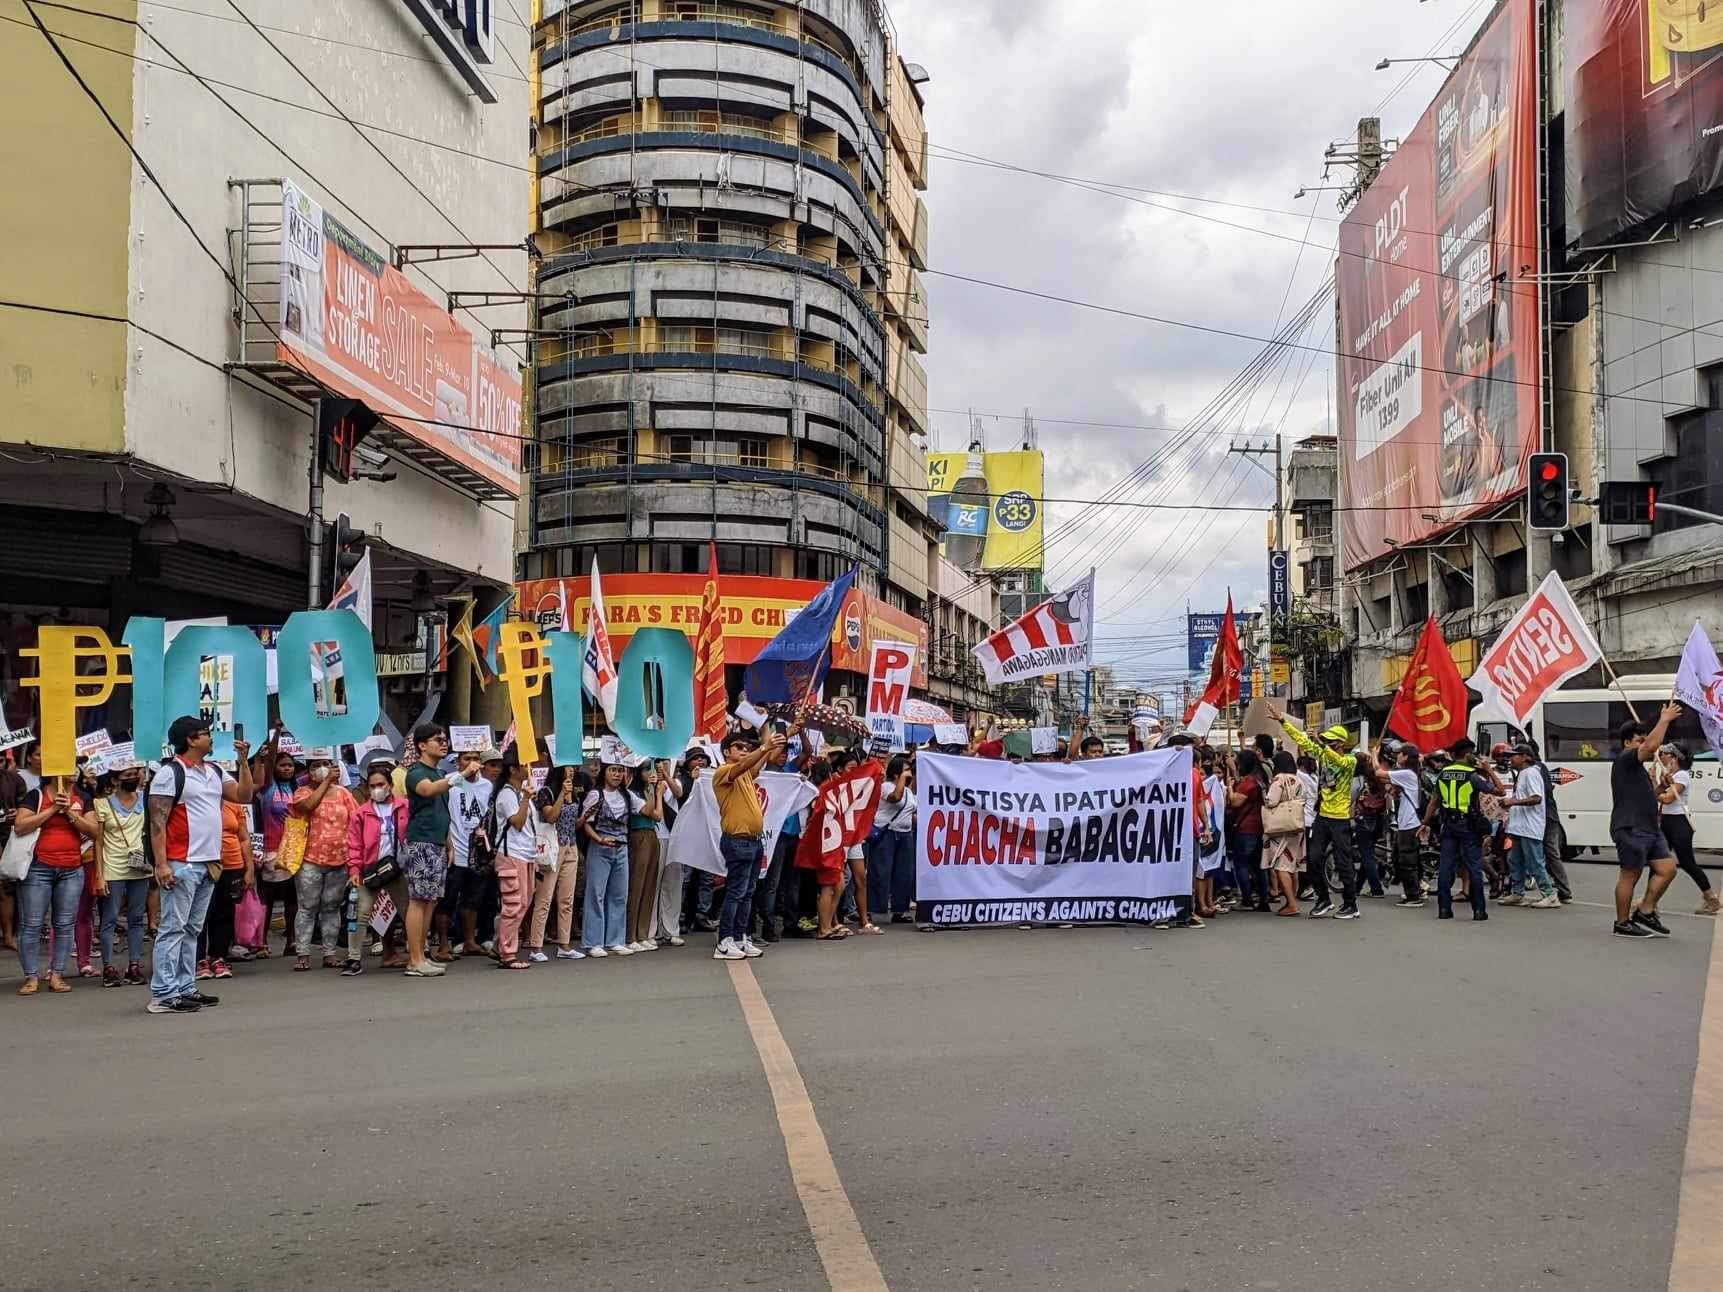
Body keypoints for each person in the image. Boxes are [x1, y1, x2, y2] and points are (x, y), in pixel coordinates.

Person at [146, 717, 244, 1014]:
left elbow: (244, 795)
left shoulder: (214, 770)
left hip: (209, 862)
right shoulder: (170, 773)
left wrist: (245, 761)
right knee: (173, 929)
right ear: (190, 739)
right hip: (181, 862)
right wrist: (162, 864)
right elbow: (157, 822)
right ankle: (164, 993)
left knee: (192, 929)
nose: (210, 738)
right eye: (205, 734)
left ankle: (186, 986)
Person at [13, 766, 99, 995]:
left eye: (75, 766)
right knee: (31, 924)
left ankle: (57, 974)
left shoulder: (83, 798)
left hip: (72, 869)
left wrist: (69, 812)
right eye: (68, 766)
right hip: (38, 868)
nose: (74, 770)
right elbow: (20, 826)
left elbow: (94, 831)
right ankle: (31, 976)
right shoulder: (36, 795)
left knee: (64, 924)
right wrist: (52, 810)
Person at [1269, 707, 1360, 919]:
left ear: (1340, 744)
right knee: (1313, 859)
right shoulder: (1324, 755)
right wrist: (1282, 721)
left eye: (1330, 741)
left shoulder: (1350, 761)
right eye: (1325, 740)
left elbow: (1338, 760)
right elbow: (1302, 740)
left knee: (1343, 862)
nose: (1326, 744)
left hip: (1340, 818)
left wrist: (1321, 744)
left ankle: (1350, 904)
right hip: (1322, 817)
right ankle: (1323, 899)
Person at [712, 727, 787, 960]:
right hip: (737, 841)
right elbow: (749, 762)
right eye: (739, 747)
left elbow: (759, 761)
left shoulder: (745, 774)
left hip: (753, 841)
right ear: (726, 752)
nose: (744, 751)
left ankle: (739, 937)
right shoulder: (724, 771)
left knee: (747, 893)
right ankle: (724, 941)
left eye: (746, 748)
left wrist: (780, 737)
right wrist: (764, 746)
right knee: (736, 892)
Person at [1610, 704, 1685, 938]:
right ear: (1627, 743)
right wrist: (1664, 719)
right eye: (1639, 740)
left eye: (1644, 740)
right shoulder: (1626, 759)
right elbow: (1652, 746)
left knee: (1668, 869)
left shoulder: (1638, 769)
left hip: (1650, 828)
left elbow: (1646, 797)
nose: (1645, 745)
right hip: (1631, 827)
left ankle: (1645, 911)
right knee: (1630, 874)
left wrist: (1661, 787)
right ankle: (1622, 923)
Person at [1419, 737, 1499, 922]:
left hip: (1449, 825)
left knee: (1446, 867)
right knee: (1474, 867)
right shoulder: (1472, 775)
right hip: (1468, 826)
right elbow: (1500, 791)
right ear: (1468, 754)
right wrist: (1489, 770)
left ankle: (1444, 910)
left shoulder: (1443, 774)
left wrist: (1425, 822)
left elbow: (1434, 801)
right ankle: (1479, 911)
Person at [291, 751, 357, 972]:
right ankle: (303, 953)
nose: (321, 768)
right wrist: (327, 781)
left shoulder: (343, 793)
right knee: (307, 907)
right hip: (310, 860)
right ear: (309, 771)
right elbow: (307, 806)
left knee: (331, 907)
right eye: (316, 765)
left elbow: (356, 820)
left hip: (340, 859)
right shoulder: (302, 792)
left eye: (325, 763)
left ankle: (329, 952)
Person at [345, 764, 411, 976]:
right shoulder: (360, 813)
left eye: (381, 784)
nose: (377, 789)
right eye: (372, 786)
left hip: (397, 869)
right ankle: (353, 958)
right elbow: (354, 845)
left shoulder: (404, 807)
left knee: (409, 911)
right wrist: (354, 871)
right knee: (361, 912)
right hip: (370, 871)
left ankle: (419, 953)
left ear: (390, 785)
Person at [401, 723, 455, 976]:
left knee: (429, 901)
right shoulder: (416, 771)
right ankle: (414, 959)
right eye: (438, 740)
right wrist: (460, 775)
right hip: (421, 842)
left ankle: (421, 955)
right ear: (422, 745)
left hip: (437, 842)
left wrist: (449, 842)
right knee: (418, 900)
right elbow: (428, 790)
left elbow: (441, 810)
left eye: (445, 739)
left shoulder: (439, 772)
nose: (444, 743)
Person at [92, 760, 151, 986]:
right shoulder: (102, 804)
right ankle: (108, 967)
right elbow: (98, 842)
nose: (133, 778)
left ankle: (134, 965)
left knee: (136, 918)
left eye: (135, 774)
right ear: (115, 780)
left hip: (139, 867)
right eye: (127, 775)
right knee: (110, 919)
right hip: (113, 868)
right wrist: (99, 875)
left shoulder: (145, 800)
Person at [580, 757, 645, 958]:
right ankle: (593, 941)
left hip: (621, 848)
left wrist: (655, 788)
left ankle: (615, 940)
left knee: (619, 895)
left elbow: (650, 812)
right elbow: (585, 823)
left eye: (620, 770)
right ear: (604, 772)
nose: (617, 774)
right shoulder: (595, 794)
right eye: (613, 770)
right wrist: (599, 839)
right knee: (596, 894)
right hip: (600, 847)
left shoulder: (627, 795)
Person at [441, 747, 497, 958]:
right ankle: (445, 943)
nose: (471, 762)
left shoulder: (487, 786)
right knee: (447, 900)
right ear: (458, 762)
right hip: (455, 850)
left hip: (478, 853)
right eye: (467, 758)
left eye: (475, 758)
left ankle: (469, 941)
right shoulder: (450, 782)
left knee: (472, 900)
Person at [197, 788, 257, 980]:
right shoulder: (198, 801)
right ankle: (199, 959)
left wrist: (249, 869)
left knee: (225, 913)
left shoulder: (233, 803)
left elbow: (244, 838)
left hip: (233, 865)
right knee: (201, 914)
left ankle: (218, 957)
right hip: (205, 863)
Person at [526, 764, 584, 962]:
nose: (572, 771)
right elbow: (551, 817)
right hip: (552, 848)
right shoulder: (546, 792)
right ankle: (536, 946)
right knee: (544, 898)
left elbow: (573, 822)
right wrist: (561, 795)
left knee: (566, 899)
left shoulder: (574, 793)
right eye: (568, 767)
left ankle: (564, 944)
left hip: (571, 846)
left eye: (573, 767)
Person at [489, 755, 538, 970]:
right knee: (514, 904)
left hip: (525, 854)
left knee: (523, 903)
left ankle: (499, 945)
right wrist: (526, 798)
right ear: (513, 770)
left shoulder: (519, 792)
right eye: (524, 764)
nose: (529, 768)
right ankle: (507, 953)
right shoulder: (507, 794)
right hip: (511, 854)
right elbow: (518, 822)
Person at [1656, 744, 1717, 915]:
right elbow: (1659, 794)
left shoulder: (1682, 775)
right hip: (1667, 821)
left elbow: (1667, 799)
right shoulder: (1670, 776)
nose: (1661, 756)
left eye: (1664, 753)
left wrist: (1654, 791)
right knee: (1658, 860)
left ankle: (1711, 898)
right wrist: (1656, 781)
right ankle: (1650, 901)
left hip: (1679, 823)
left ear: (1674, 758)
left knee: (1687, 862)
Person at [1499, 744, 1560, 909]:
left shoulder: (1531, 773)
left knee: (1534, 862)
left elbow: (1536, 798)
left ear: (1525, 757)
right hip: (1519, 826)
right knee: (1514, 860)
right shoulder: (1523, 773)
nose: (1510, 759)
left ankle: (1550, 895)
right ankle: (1517, 893)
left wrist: (1513, 802)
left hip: (1529, 826)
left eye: (1514, 755)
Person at [867, 755, 917, 925]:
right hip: (887, 834)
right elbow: (895, 798)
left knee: (904, 874)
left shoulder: (909, 792)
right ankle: (874, 909)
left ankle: (899, 910)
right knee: (881, 872)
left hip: (905, 835)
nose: (909, 773)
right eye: (906, 770)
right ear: (896, 773)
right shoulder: (885, 787)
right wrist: (902, 780)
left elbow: (910, 812)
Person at [622, 761, 667, 952]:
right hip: (638, 835)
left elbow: (658, 815)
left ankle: (643, 933)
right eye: (647, 769)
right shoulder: (632, 793)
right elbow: (653, 813)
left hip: (652, 835)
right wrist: (655, 792)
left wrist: (656, 792)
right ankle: (630, 934)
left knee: (649, 885)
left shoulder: (648, 791)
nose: (651, 773)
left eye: (652, 769)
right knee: (637, 885)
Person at [1261, 751, 1306, 916]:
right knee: (1293, 865)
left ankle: (1292, 904)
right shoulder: (1299, 780)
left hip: (1281, 829)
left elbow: (1270, 801)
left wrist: (1264, 794)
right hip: (1296, 825)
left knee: (1281, 865)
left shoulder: (1279, 779)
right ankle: (1291, 900)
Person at [1226, 750, 1269, 912]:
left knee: (1241, 864)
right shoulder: (1260, 779)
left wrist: (1230, 788)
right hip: (1259, 826)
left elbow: (1235, 802)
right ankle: (1264, 899)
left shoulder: (1249, 781)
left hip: (1246, 827)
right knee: (1259, 866)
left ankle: (1247, 899)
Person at [1386, 747, 1426, 906]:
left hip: (1410, 824)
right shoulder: (1409, 773)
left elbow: (1379, 773)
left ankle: (1414, 896)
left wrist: (1374, 756)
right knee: (1400, 859)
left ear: (1406, 756)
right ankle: (1416, 889)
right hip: (1405, 823)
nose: (1397, 756)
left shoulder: (1408, 774)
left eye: (1400, 753)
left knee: (1407, 862)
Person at [1352, 751, 1389, 899]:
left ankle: (1376, 888)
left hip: (1363, 818)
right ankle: (1357, 886)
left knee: (1367, 854)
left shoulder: (1359, 781)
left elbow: (1351, 797)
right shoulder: (1379, 780)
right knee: (1368, 852)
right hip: (1378, 818)